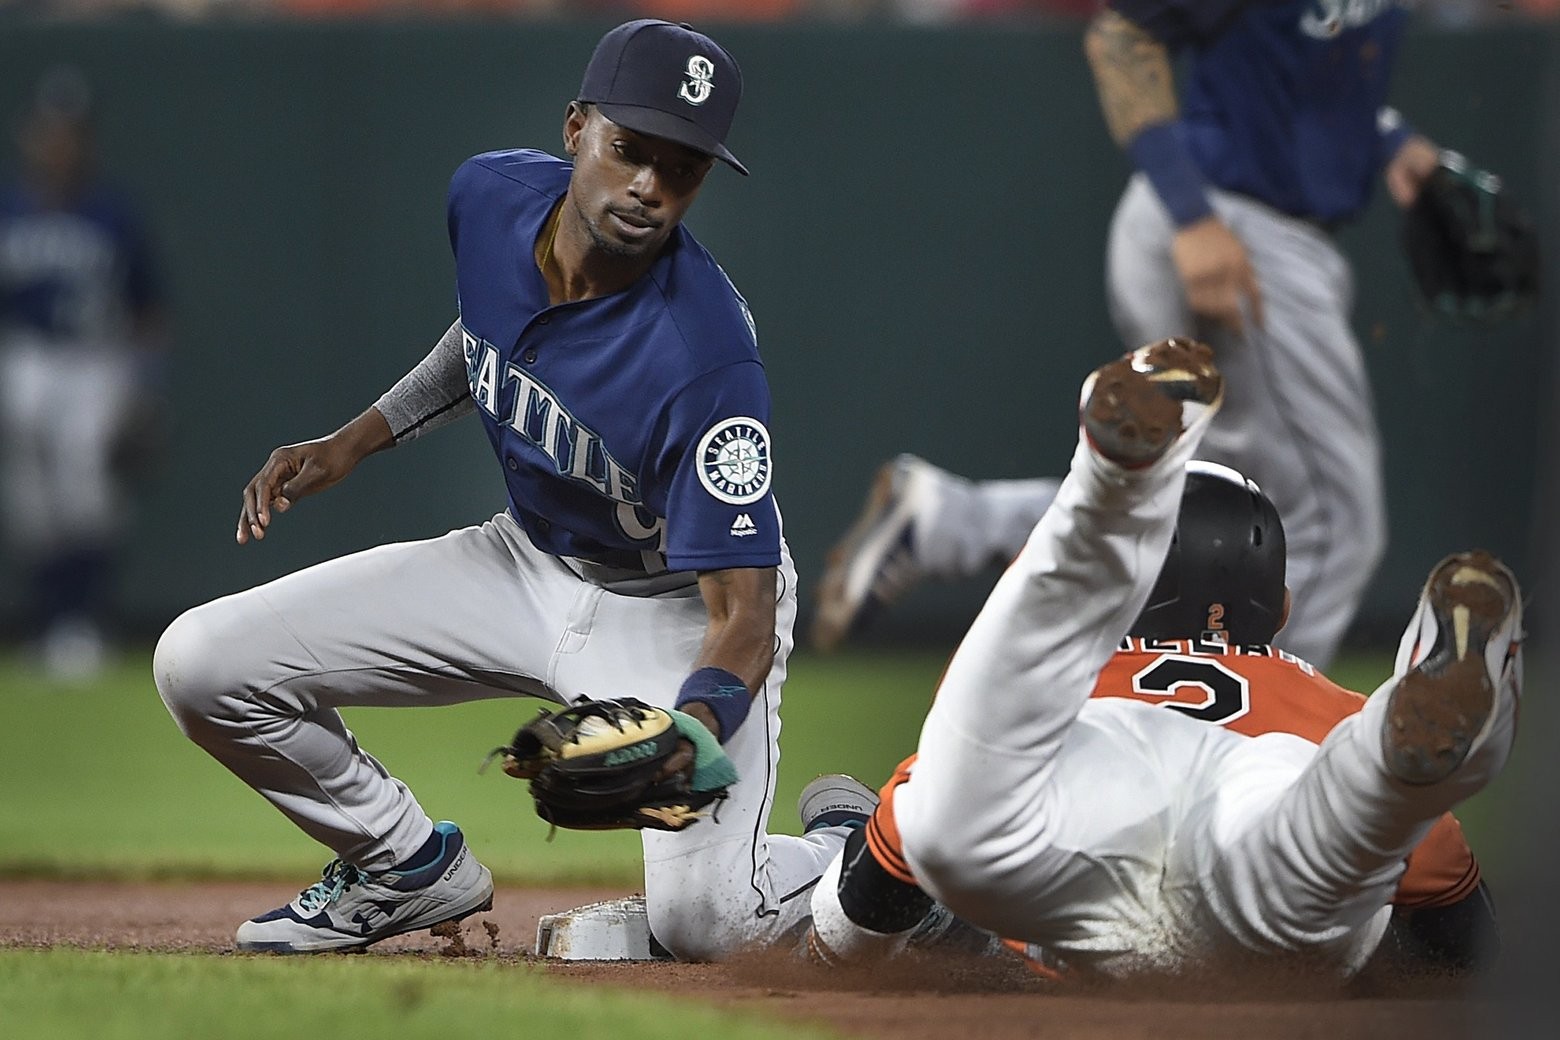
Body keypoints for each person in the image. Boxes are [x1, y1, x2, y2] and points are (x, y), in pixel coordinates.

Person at [152, 19, 871, 958]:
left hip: (667, 614)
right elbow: (488, 337)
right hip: (520, 563)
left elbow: (744, 612)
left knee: (706, 923)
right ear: (576, 128)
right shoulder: (488, 196)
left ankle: (859, 850)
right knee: (203, 662)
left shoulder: (705, 365)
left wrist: (683, 735)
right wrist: (359, 438)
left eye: (682, 169)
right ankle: (402, 864)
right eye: (631, 150)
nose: (650, 186)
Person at [803, 337, 1521, 982]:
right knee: (1345, 822)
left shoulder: (1081, 682)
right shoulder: (1328, 709)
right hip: (1258, 881)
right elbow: (1462, 944)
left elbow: (892, 857)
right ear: (1280, 611)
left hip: (1065, 845)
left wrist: (833, 951)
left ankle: (1101, 499)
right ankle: (1384, 768)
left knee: (960, 786)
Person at [813, 0, 1451, 671]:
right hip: (1228, 228)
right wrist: (1193, 217)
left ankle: (955, 523)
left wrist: (1388, 138)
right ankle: (1257, 735)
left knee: (1205, 516)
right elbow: (1122, 34)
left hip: (1246, 224)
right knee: (1327, 525)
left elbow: (1297, 64)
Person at [0, 65, 167, 681]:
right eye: (49, 131)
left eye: (69, 132)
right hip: (25, 356)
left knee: (83, 485)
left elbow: (149, 308)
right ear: (31, 137)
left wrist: (145, 387)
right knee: (32, 501)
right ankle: (49, 622)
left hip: (96, 360)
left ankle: (84, 623)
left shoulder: (111, 214)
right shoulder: (10, 208)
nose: (58, 143)